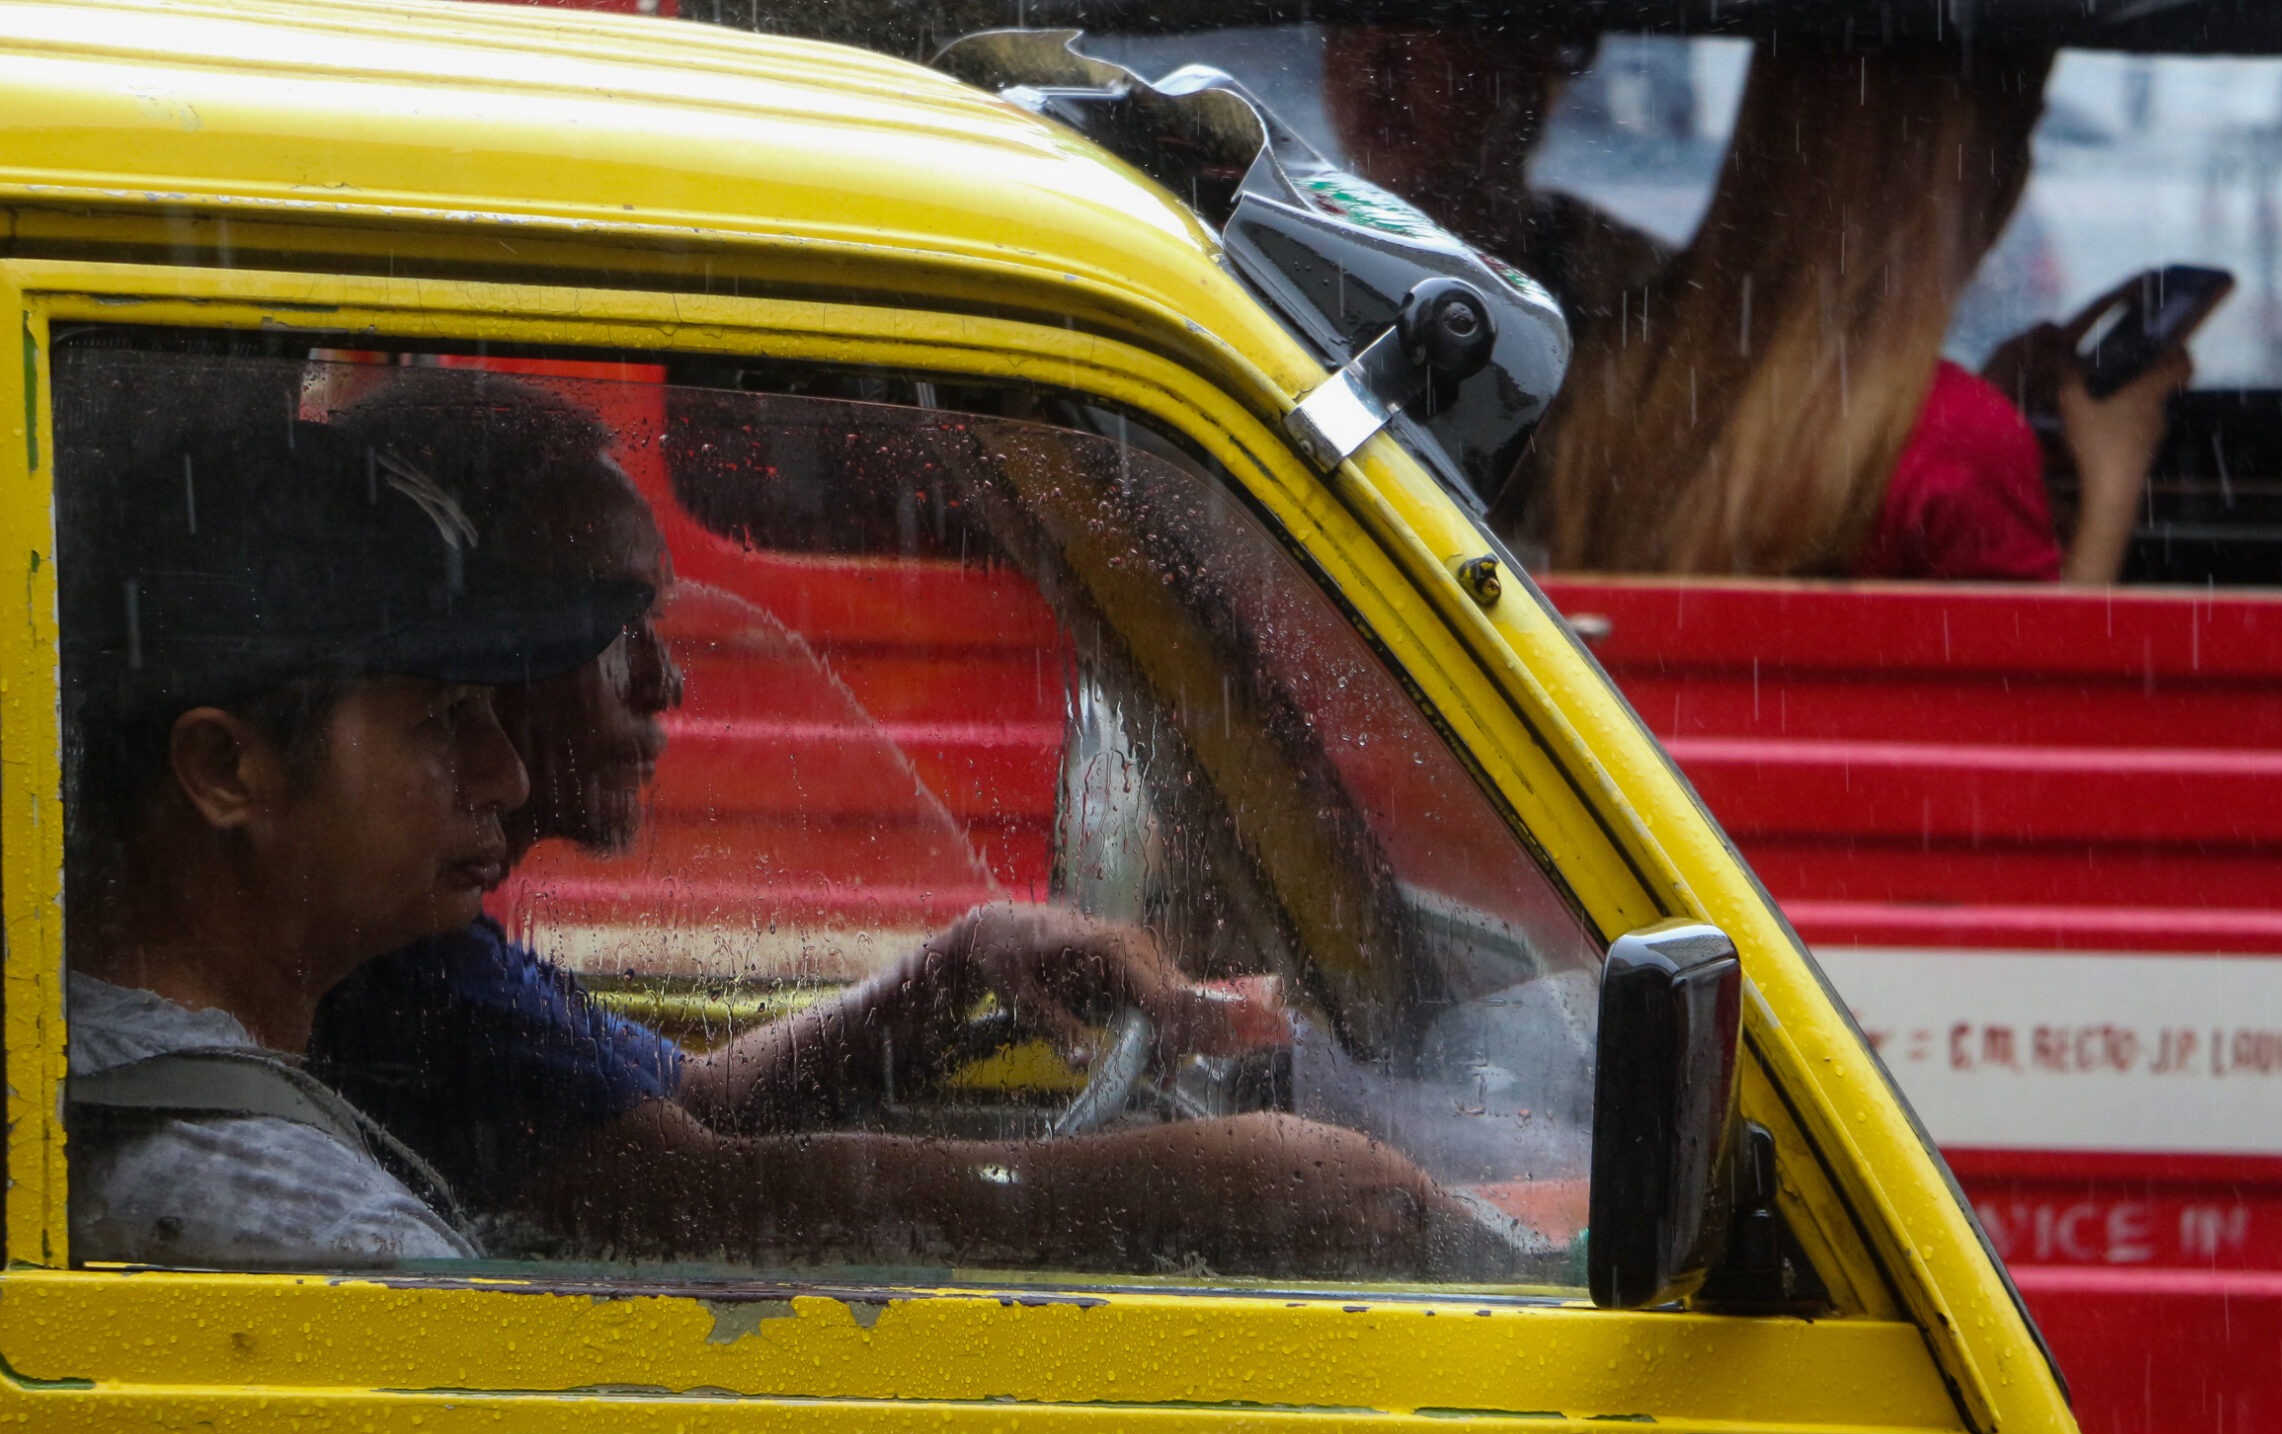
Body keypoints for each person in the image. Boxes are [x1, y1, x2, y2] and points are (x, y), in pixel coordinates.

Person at [305, 373, 1488, 1277]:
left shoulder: (441, 955)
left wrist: (960, 962)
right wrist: (1248, 1185)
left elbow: (692, 1109)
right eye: (613, 627)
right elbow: (718, 1202)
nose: (666, 684)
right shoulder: (394, 986)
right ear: (469, 654)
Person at [57, 419, 650, 1267]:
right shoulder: (333, 1238)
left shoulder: (76, 1058)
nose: (508, 777)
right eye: (442, 719)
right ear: (226, 769)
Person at [1520, 42, 2189, 585]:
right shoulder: (1955, 436)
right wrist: (2115, 473)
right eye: (2017, 134)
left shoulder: (1627, 368)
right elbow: (2042, 711)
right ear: (1970, 173)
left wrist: (1994, 396)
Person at [1320, 28, 1671, 343]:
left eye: (1417, 24)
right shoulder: (1287, 258)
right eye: (1345, 30)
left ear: (1523, 65)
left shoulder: (1628, 285)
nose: (1373, 72)